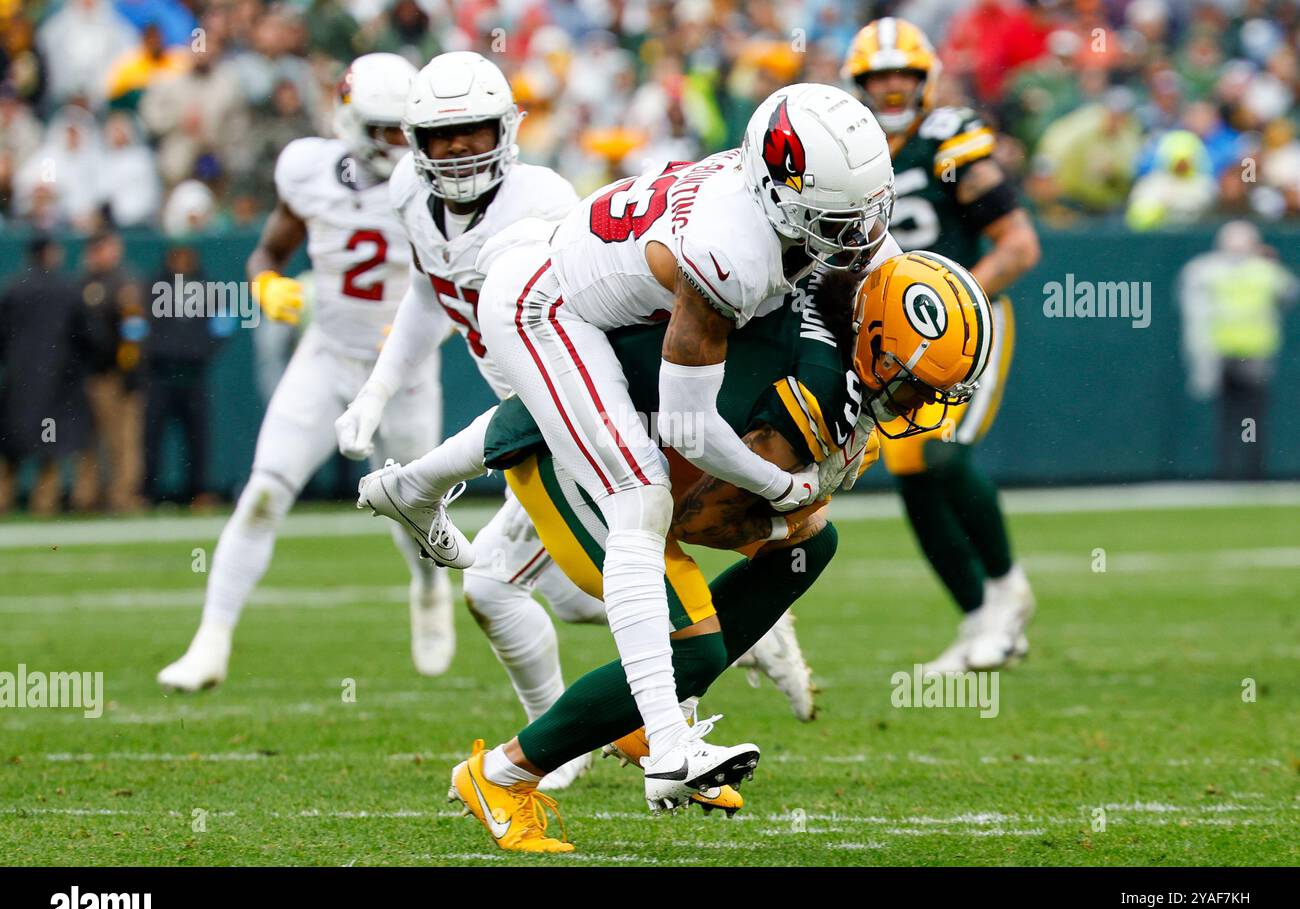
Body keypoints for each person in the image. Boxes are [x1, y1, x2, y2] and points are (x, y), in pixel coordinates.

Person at [356, 82, 899, 812]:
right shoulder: (729, 252)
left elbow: (883, 276)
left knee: (600, 446)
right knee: (638, 498)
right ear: (779, 193)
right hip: (544, 307)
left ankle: (414, 487)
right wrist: (784, 487)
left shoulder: (793, 204)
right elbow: (688, 428)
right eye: (836, 218)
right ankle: (668, 745)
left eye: (865, 210)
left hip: (603, 292)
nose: (858, 232)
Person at [400, 250, 994, 852]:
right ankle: (501, 774)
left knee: (811, 546)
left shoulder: (826, 331)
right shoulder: (818, 386)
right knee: (695, 647)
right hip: (579, 456)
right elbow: (700, 519)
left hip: (643, 457)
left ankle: (642, 718)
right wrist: (794, 498)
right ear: (873, 338)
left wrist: (796, 509)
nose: (919, 404)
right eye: (915, 385)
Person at [332, 51, 603, 787]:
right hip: (529, 415)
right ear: (414, 143)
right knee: (579, 592)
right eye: (440, 136)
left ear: (505, 129)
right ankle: (739, 639)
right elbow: (429, 294)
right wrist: (376, 394)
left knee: (495, 585)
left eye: (472, 131)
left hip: (572, 409)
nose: (456, 149)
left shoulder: (542, 197)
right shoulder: (407, 192)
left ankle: (573, 744)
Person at [156, 54, 452, 691]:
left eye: (402, 129)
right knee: (264, 490)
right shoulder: (309, 168)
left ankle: (429, 588)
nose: (395, 143)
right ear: (350, 120)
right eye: (382, 129)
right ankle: (211, 639)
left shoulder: (435, 182)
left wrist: (420, 334)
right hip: (327, 355)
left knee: (416, 511)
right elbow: (271, 246)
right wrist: (265, 281)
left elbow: (458, 285)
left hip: (403, 371)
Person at [842, 17, 1040, 673]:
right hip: (892, 342)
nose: (892, 87)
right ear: (858, 84)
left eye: (904, 74)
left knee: (943, 454)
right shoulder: (846, 151)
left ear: (925, 78)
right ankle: (980, 618)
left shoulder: (947, 140)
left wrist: (957, 304)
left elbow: (1019, 245)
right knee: (909, 468)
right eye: (879, 76)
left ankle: (1008, 588)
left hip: (965, 326)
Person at [1178, 220, 1298, 480]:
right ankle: (1237, 469)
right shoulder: (1251, 270)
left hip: (1248, 352)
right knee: (1238, 416)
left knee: (1242, 416)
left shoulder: (1253, 270)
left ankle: (1243, 469)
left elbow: (1290, 294)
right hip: (1231, 351)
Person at [0, 236, 93, 515]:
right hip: (57, 386)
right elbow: (88, 337)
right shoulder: (67, 290)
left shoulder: (14, 288)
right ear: (48, 253)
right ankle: (44, 504)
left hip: (19, 383)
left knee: (12, 448)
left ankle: (3, 500)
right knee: (49, 446)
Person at [142, 242, 227, 506]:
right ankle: (147, 491)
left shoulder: (209, 288)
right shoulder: (153, 287)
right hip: (160, 374)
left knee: (198, 435)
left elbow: (224, 323)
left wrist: (203, 350)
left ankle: (198, 490)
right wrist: (155, 349)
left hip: (194, 374)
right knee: (151, 435)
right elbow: (139, 324)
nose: (181, 262)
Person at [73, 226, 146, 513]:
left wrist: (130, 370)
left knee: (123, 440)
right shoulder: (83, 283)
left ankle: (123, 495)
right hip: (89, 374)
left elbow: (135, 331)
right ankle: (86, 497)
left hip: (117, 374)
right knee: (87, 441)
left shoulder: (125, 282)